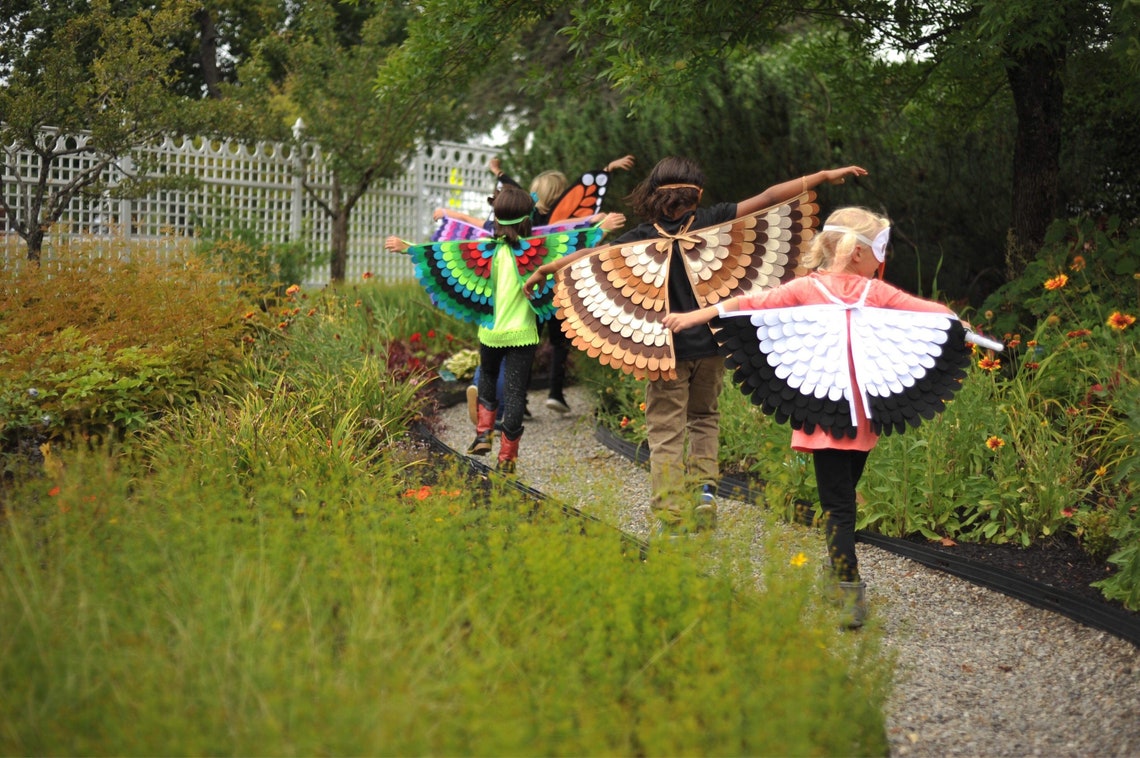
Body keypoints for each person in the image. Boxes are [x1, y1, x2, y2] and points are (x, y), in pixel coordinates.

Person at [662, 206, 969, 628]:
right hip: (852, 414)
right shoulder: (863, 292)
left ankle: (840, 579)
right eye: (880, 249)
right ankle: (846, 585)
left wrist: (696, 316)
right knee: (842, 504)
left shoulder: (823, 289)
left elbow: (752, 302)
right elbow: (923, 308)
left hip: (831, 413)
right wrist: (955, 323)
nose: (884, 259)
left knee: (839, 503)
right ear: (859, 253)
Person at [528, 156, 867, 537]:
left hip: (664, 352)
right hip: (711, 346)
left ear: (652, 195)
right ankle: (704, 494)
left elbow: (591, 257)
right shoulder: (713, 220)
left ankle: (672, 515)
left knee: (665, 430)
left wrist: (546, 269)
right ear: (697, 194)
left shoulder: (640, 237)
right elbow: (770, 197)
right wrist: (821, 174)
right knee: (704, 417)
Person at [386, 184, 603, 473]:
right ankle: (507, 458)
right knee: (515, 393)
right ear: (528, 220)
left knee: (487, 375)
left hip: (491, 334)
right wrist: (599, 231)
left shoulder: (482, 253)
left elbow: (440, 252)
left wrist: (408, 249)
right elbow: (571, 243)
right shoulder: (537, 252)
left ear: (496, 219)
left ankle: (483, 433)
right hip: (524, 335)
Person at [495, 154, 634, 414]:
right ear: (562, 194)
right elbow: (577, 233)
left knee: (526, 343)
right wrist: (593, 219)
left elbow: (512, 188)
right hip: (558, 287)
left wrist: (499, 174)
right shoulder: (566, 221)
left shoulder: (527, 218)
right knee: (560, 343)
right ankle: (556, 393)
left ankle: (521, 402)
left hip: (529, 289)